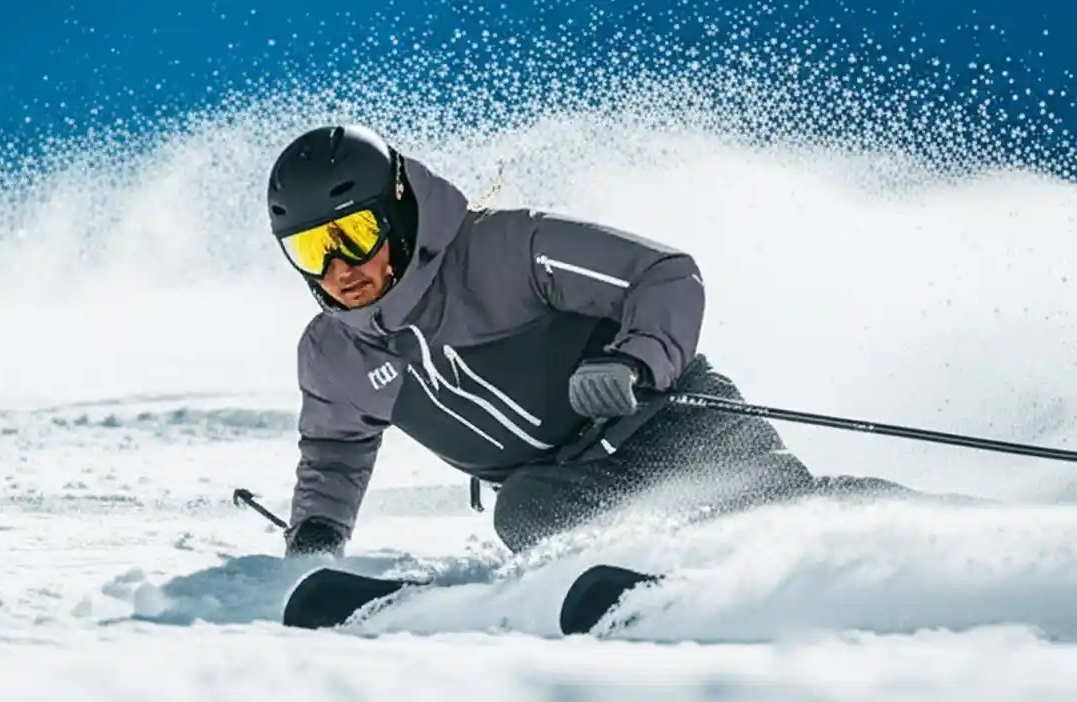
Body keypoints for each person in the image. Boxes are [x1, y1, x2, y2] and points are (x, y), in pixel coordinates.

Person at [267, 125, 904, 557]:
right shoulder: (332, 355)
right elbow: (334, 448)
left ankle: (953, 536)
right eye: (311, 249)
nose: (338, 267)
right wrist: (319, 532)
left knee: (782, 517)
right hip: (561, 485)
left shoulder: (505, 248)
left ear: (398, 211)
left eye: (354, 232)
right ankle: (651, 585)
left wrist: (637, 360)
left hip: (669, 421)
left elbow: (662, 274)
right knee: (521, 513)